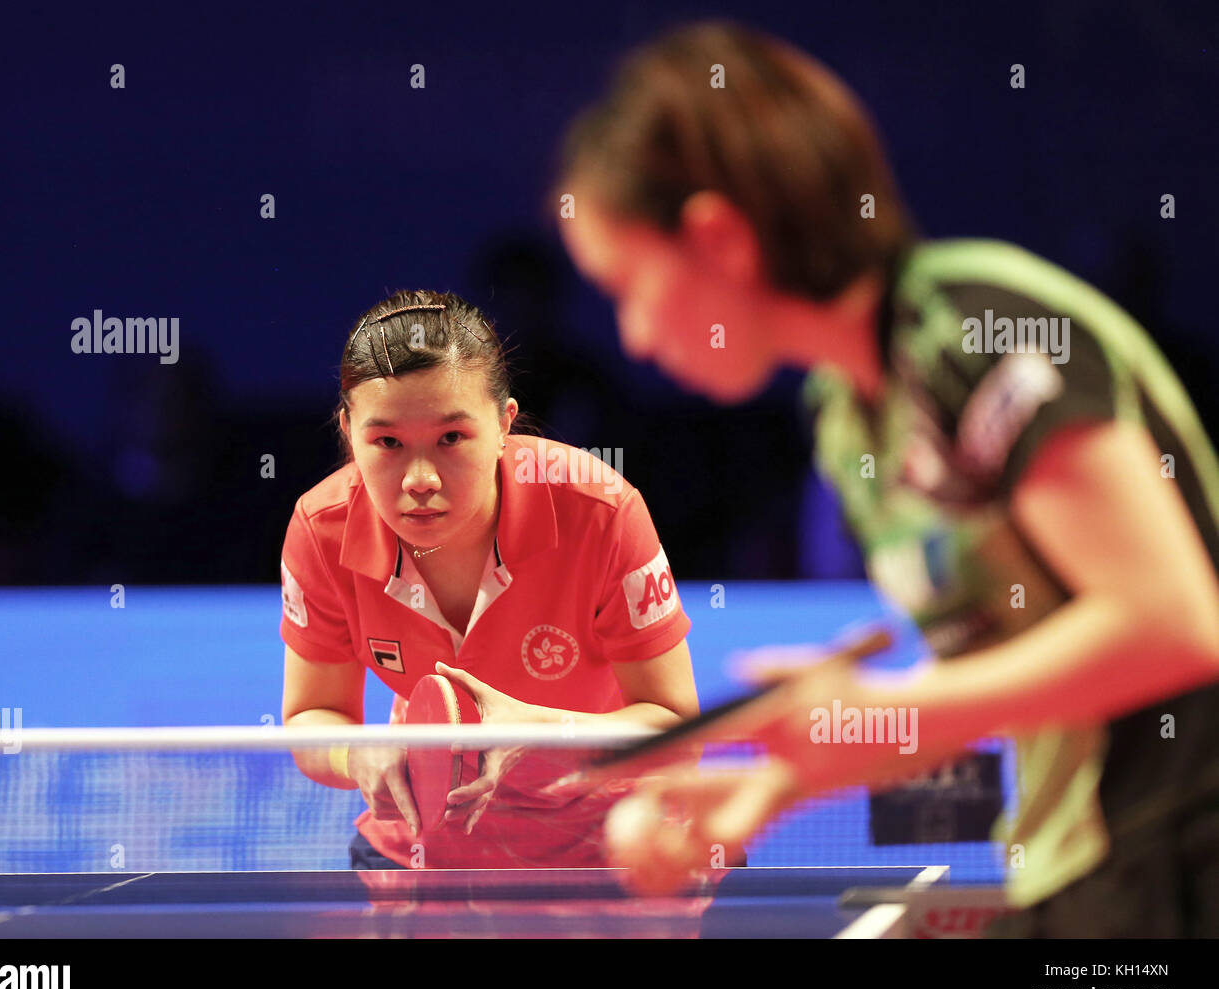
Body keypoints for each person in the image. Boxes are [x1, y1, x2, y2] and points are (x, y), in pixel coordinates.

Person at [554, 21, 1219, 936]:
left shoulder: (978, 327)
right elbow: (1001, 679)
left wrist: (876, 706)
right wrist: (772, 787)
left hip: (1185, 847)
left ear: (718, 238)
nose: (631, 335)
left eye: (629, 284)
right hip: (1081, 863)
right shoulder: (847, 416)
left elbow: (1174, 621)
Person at [279, 288, 698, 871]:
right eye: (388, 442)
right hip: (417, 861)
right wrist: (358, 755)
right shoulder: (321, 530)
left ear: (504, 424)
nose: (420, 478)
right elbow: (309, 719)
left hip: (617, 858)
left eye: (452, 438)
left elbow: (678, 731)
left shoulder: (600, 511)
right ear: (348, 430)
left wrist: (550, 732)